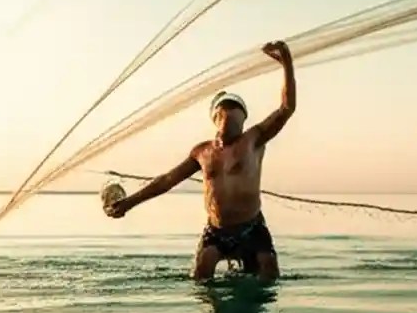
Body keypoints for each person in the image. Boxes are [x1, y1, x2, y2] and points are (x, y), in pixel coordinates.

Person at [105, 40, 295, 284]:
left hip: (251, 227)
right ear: (215, 117)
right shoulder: (202, 152)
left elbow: (287, 108)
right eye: (224, 111)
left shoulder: (254, 139)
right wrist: (129, 203)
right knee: (200, 274)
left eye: (235, 110)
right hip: (217, 231)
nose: (229, 115)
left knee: (269, 274)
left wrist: (286, 62)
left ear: (244, 117)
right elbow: (166, 180)